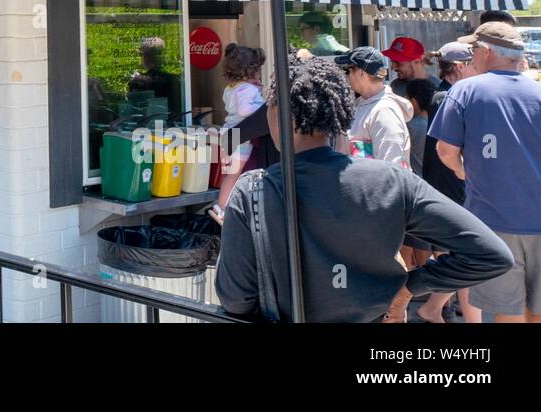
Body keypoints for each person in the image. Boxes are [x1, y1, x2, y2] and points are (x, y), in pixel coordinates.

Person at [214, 57, 513, 322]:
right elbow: (491, 254)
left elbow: (235, 300)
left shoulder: (252, 192)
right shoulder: (394, 181)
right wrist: (408, 288)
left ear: (280, 116)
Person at [430, 20, 541, 324]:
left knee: (506, 311)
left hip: (494, 221)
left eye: (473, 48)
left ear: (488, 51)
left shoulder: (465, 91)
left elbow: (445, 151)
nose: (470, 54)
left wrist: (464, 171)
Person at [417, 41, 482, 324]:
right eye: (472, 64)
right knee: (468, 256)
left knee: (457, 254)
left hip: (444, 183)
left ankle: (435, 307)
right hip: (453, 184)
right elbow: (454, 148)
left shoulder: (442, 95)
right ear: (459, 67)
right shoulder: (452, 97)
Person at [209, 44, 266, 226]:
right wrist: (262, 108)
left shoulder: (232, 87)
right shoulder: (246, 90)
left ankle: (224, 205)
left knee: (230, 174)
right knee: (234, 175)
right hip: (239, 136)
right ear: (251, 69)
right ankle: (222, 207)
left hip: (229, 133)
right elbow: (244, 109)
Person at [337, 46, 412, 168]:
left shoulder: (384, 111)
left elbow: (391, 169)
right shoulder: (361, 104)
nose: (347, 76)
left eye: (349, 70)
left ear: (362, 73)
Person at [383, 36, 428, 101]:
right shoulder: (395, 86)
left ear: (416, 62)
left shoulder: (438, 88)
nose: (393, 67)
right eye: (392, 62)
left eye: (398, 63)